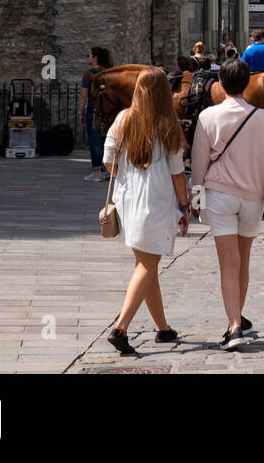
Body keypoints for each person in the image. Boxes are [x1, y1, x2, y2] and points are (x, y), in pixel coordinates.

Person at [189, 59, 264, 352]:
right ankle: (237, 316)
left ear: (221, 84)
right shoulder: (263, 117)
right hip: (252, 196)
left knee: (228, 262)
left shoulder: (207, 116)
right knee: (243, 260)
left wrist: (196, 197)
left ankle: (234, 325)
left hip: (219, 194)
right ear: (247, 82)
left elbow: (199, 162)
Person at [102, 66, 189, 355]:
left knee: (145, 264)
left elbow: (108, 161)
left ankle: (162, 328)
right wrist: (185, 206)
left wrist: (127, 173)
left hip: (128, 198)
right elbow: (178, 173)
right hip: (157, 200)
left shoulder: (122, 119)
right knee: (147, 265)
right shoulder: (168, 123)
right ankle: (120, 328)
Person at [78, 46, 114, 181]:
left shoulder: (89, 74)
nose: (87, 57)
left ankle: (97, 172)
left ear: (95, 58)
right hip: (109, 110)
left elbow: (83, 95)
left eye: (89, 55)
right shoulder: (110, 72)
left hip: (94, 110)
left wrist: (80, 111)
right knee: (109, 139)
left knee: (94, 140)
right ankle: (110, 171)